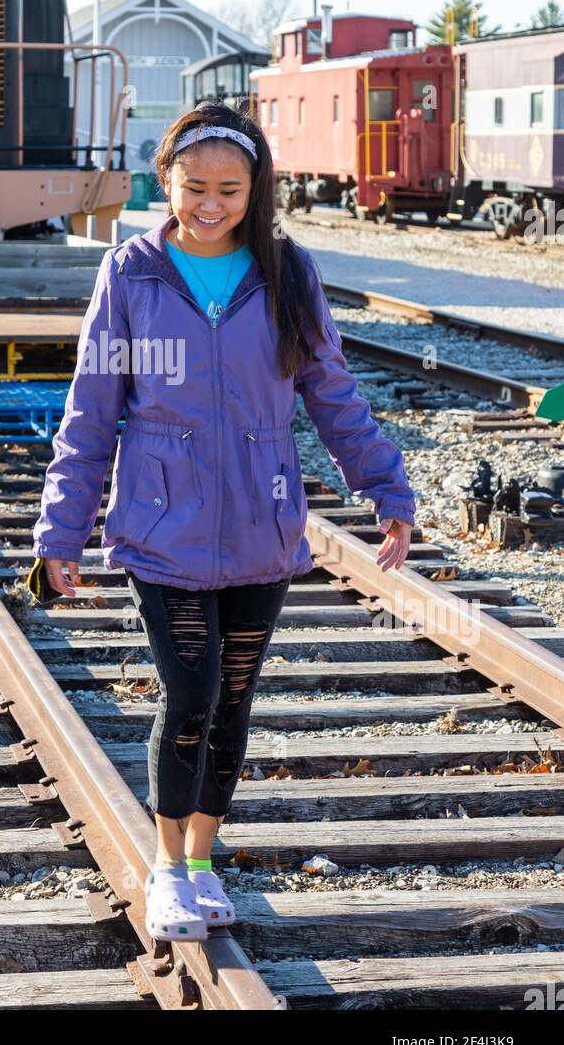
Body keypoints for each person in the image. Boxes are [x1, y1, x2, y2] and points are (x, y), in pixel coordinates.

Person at [31, 102, 416, 942]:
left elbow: (335, 397)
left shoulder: (288, 272)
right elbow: (92, 411)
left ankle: (203, 863)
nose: (211, 203)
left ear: (256, 189)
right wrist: (61, 530)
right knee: (193, 690)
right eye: (194, 185)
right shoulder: (130, 274)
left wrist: (387, 489)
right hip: (161, 526)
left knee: (235, 700)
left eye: (230, 189)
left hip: (261, 523)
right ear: (164, 180)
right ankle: (166, 869)